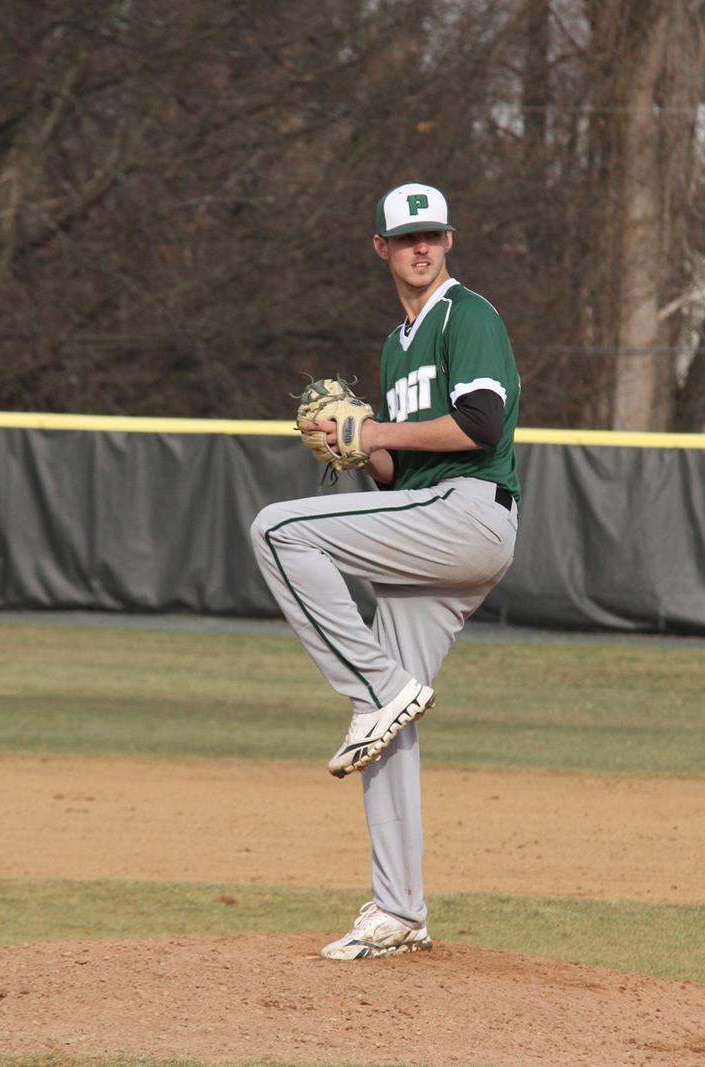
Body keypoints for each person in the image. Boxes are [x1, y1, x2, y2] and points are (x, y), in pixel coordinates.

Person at [250, 181, 521, 960]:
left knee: (278, 529)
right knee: (387, 733)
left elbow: (480, 421)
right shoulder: (396, 345)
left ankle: (375, 687)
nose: (421, 248)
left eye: (432, 234)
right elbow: (393, 478)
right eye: (406, 239)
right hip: (427, 522)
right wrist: (359, 445)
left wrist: (375, 424)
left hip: (468, 511)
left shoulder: (466, 315)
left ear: (449, 239)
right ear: (382, 248)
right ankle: (400, 908)